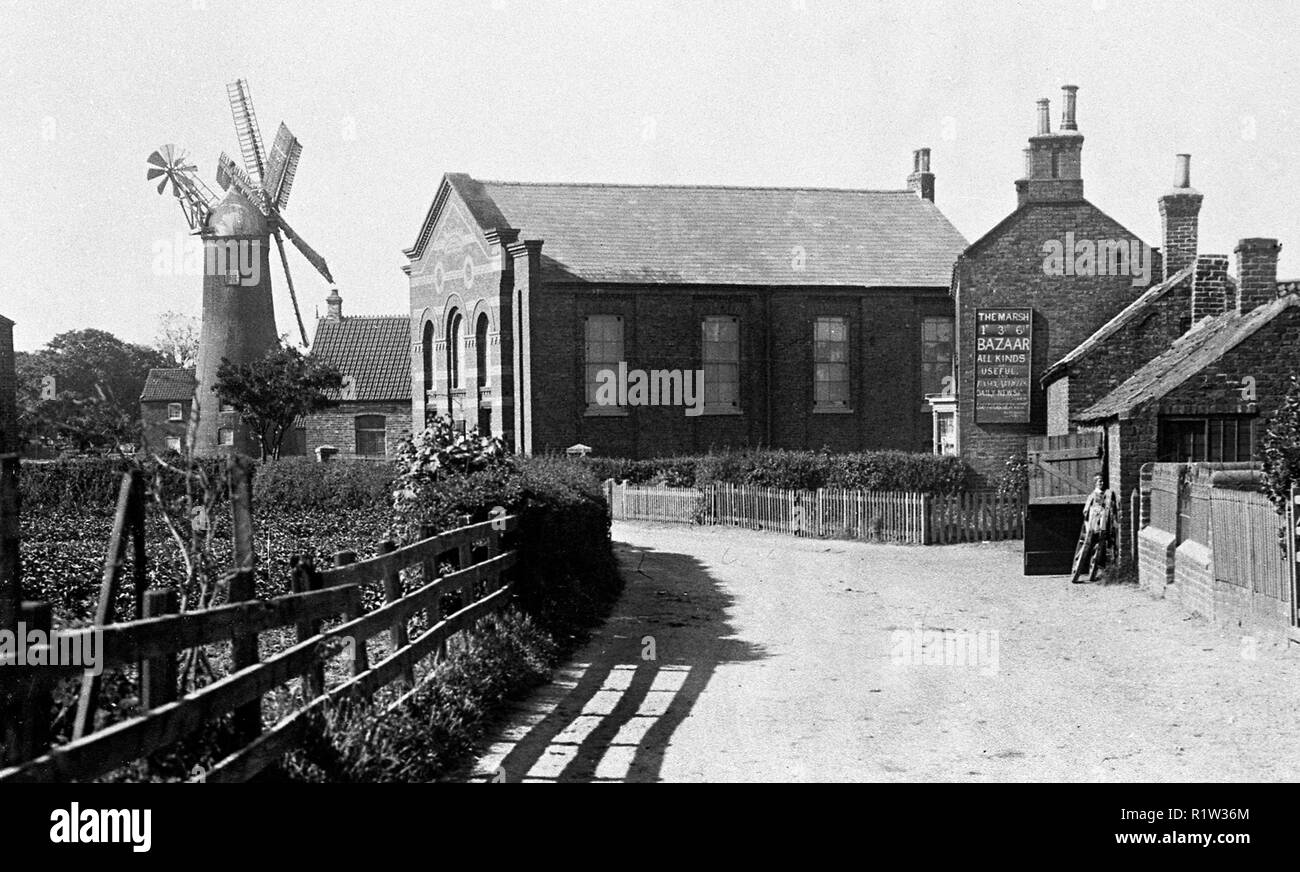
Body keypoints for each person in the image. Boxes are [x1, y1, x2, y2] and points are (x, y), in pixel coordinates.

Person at [1070, 473, 1118, 584]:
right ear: (1095, 483)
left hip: (1101, 522)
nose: (1101, 483)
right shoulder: (1093, 495)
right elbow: (1086, 509)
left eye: (1102, 481)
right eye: (1099, 481)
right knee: (1086, 544)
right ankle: (1077, 568)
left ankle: (1094, 571)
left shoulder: (1105, 495)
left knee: (1098, 546)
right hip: (1093, 521)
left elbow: (1107, 508)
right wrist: (1089, 521)